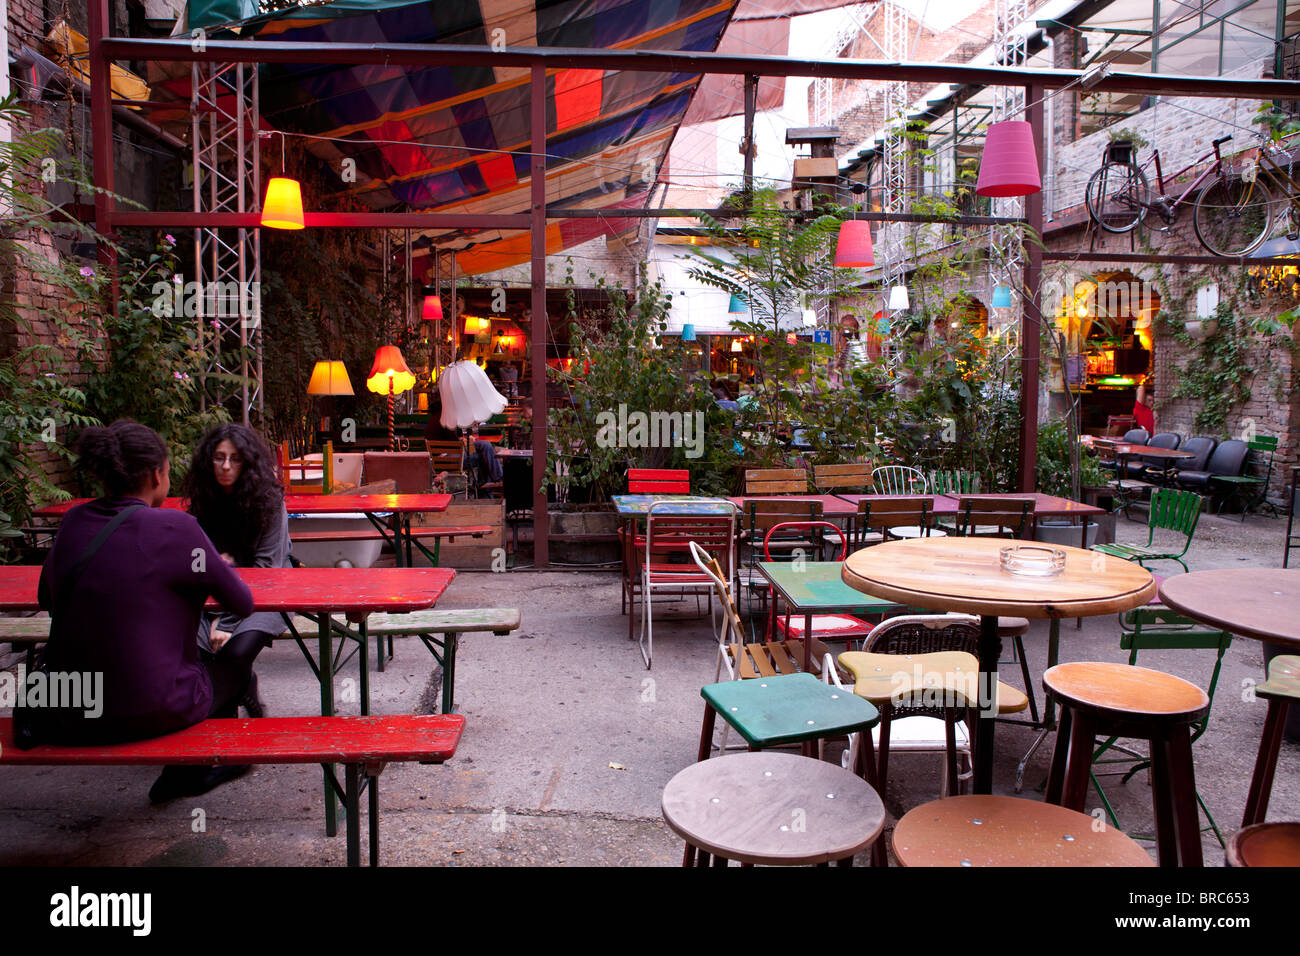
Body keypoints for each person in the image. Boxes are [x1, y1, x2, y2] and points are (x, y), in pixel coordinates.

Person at [15, 420, 257, 802]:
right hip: (152, 707)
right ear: (156, 473)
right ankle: (190, 773)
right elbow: (242, 603)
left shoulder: (75, 521)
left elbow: (47, 597)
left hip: (69, 709)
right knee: (234, 670)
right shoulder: (178, 528)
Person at [185, 423, 291, 718]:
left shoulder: (269, 502)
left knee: (235, 653)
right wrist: (214, 613)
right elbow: (200, 563)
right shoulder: (203, 498)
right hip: (213, 596)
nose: (226, 466)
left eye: (235, 459)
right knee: (197, 652)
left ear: (249, 462)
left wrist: (228, 622)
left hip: (265, 596)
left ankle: (228, 744)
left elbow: (267, 569)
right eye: (219, 458)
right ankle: (228, 723)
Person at [425, 392, 503, 486]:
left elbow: (450, 441)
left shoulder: (436, 417)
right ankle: (496, 481)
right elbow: (455, 446)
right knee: (483, 454)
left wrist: (462, 441)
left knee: (484, 446)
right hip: (449, 460)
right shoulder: (446, 418)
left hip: (439, 459)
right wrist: (464, 442)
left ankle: (491, 484)